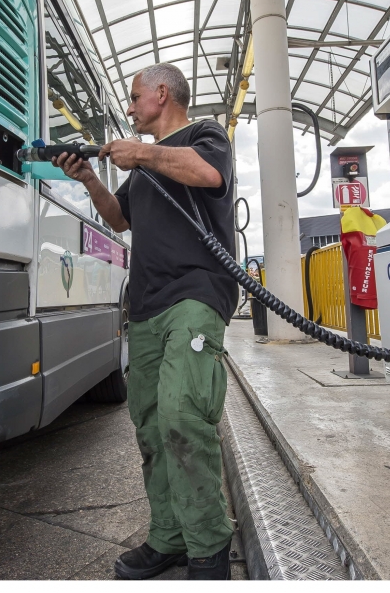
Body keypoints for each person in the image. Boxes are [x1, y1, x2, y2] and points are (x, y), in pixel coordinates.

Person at [54, 63, 237, 581]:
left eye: (135, 98)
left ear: (162, 93)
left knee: (182, 415)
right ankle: (170, 537)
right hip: (148, 303)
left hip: (196, 294)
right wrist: (91, 178)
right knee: (152, 425)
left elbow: (208, 175)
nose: (130, 108)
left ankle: (209, 546)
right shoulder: (140, 170)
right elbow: (119, 219)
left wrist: (142, 153)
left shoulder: (205, 136)